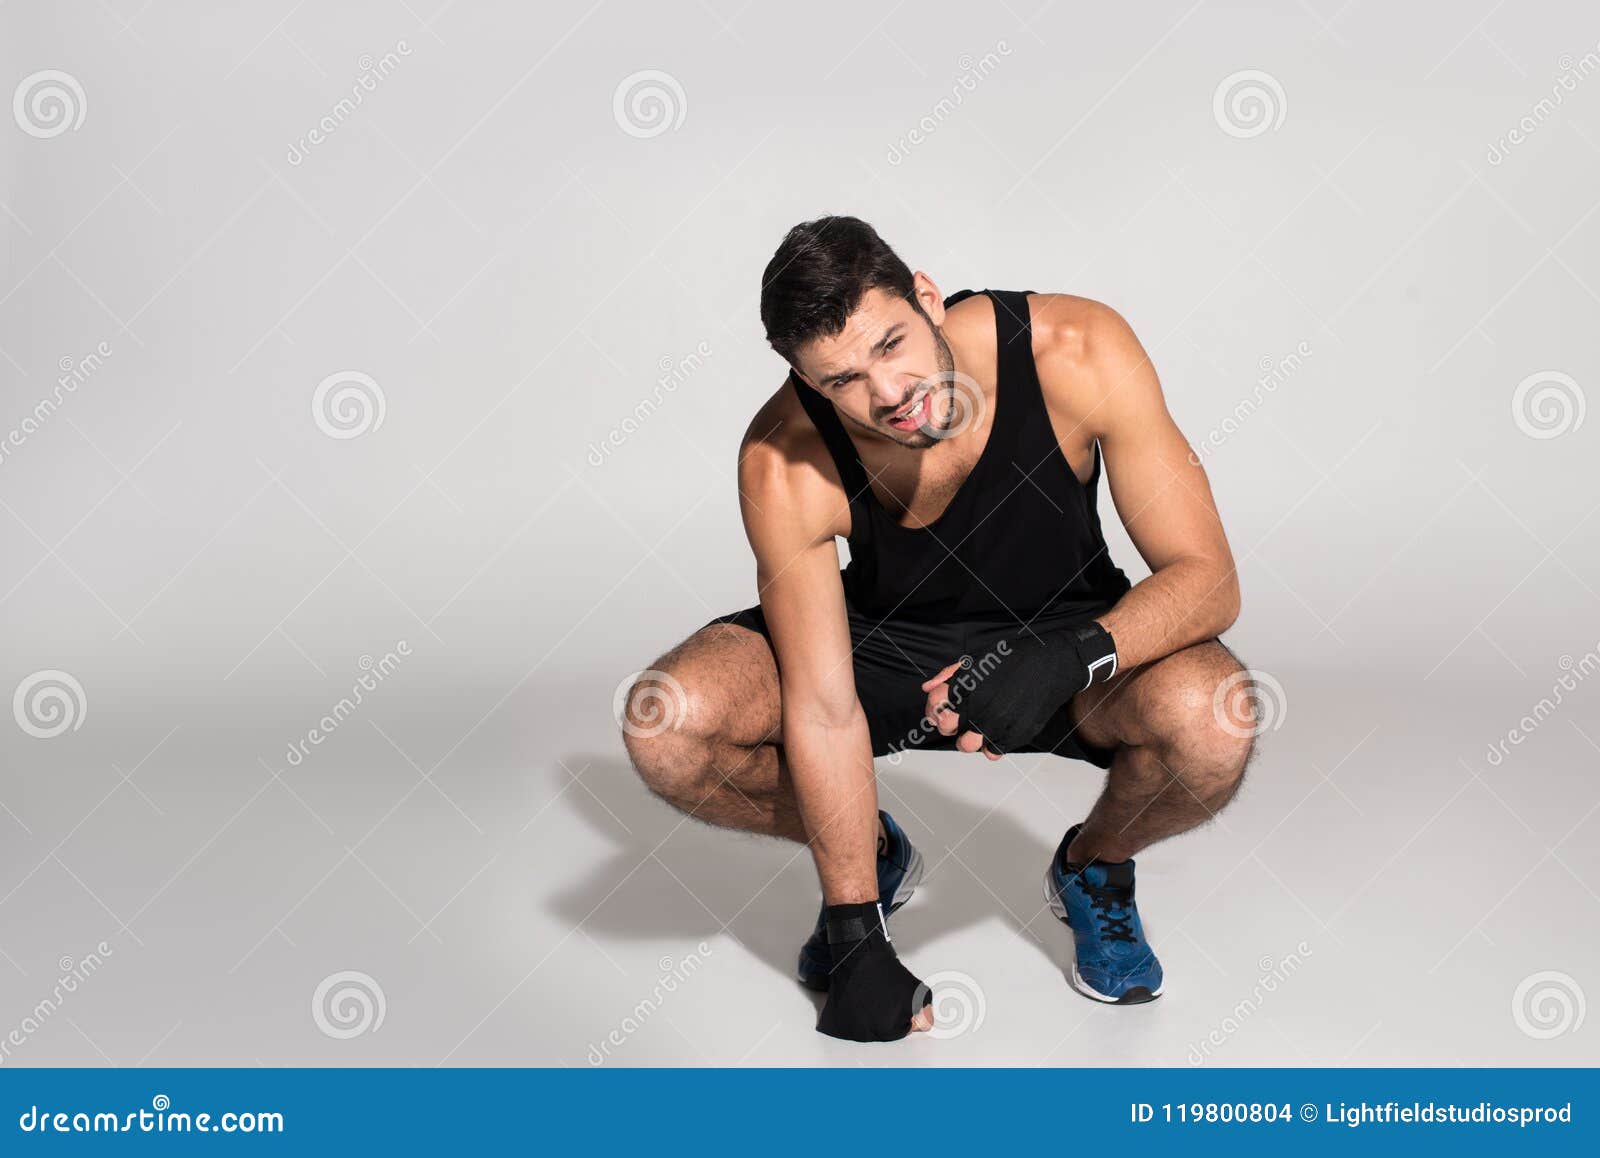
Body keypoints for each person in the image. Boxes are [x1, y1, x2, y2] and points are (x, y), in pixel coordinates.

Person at [622, 216, 1255, 1042]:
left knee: (1217, 719)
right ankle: (869, 854)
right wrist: (855, 935)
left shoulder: (1076, 350)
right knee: (668, 723)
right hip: (881, 644)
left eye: (891, 344)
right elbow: (823, 707)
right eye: (842, 379)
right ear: (803, 377)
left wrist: (1069, 657)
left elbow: (1209, 579)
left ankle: (1093, 866)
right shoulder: (783, 459)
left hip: (1065, 636)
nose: (887, 393)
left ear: (927, 297)